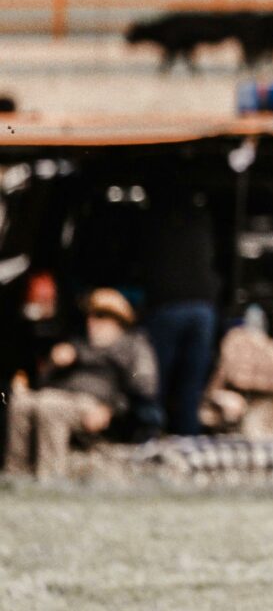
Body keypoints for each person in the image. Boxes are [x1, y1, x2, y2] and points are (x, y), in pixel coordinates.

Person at [5, 289, 159, 480]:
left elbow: (142, 387)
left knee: (49, 406)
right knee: (21, 403)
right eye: (91, 315)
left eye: (100, 316)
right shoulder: (78, 343)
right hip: (57, 395)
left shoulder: (132, 346)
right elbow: (43, 381)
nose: (92, 322)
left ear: (118, 320)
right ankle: (15, 475)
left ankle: (49, 478)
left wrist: (110, 409)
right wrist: (53, 363)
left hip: (94, 404)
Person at [141, 185, 221, 435]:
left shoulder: (150, 221)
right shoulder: (204, 218)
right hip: (203, 307)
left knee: (155, 379)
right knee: (192, 383)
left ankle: (151, 433)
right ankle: (188, 435)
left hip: (167, 306)